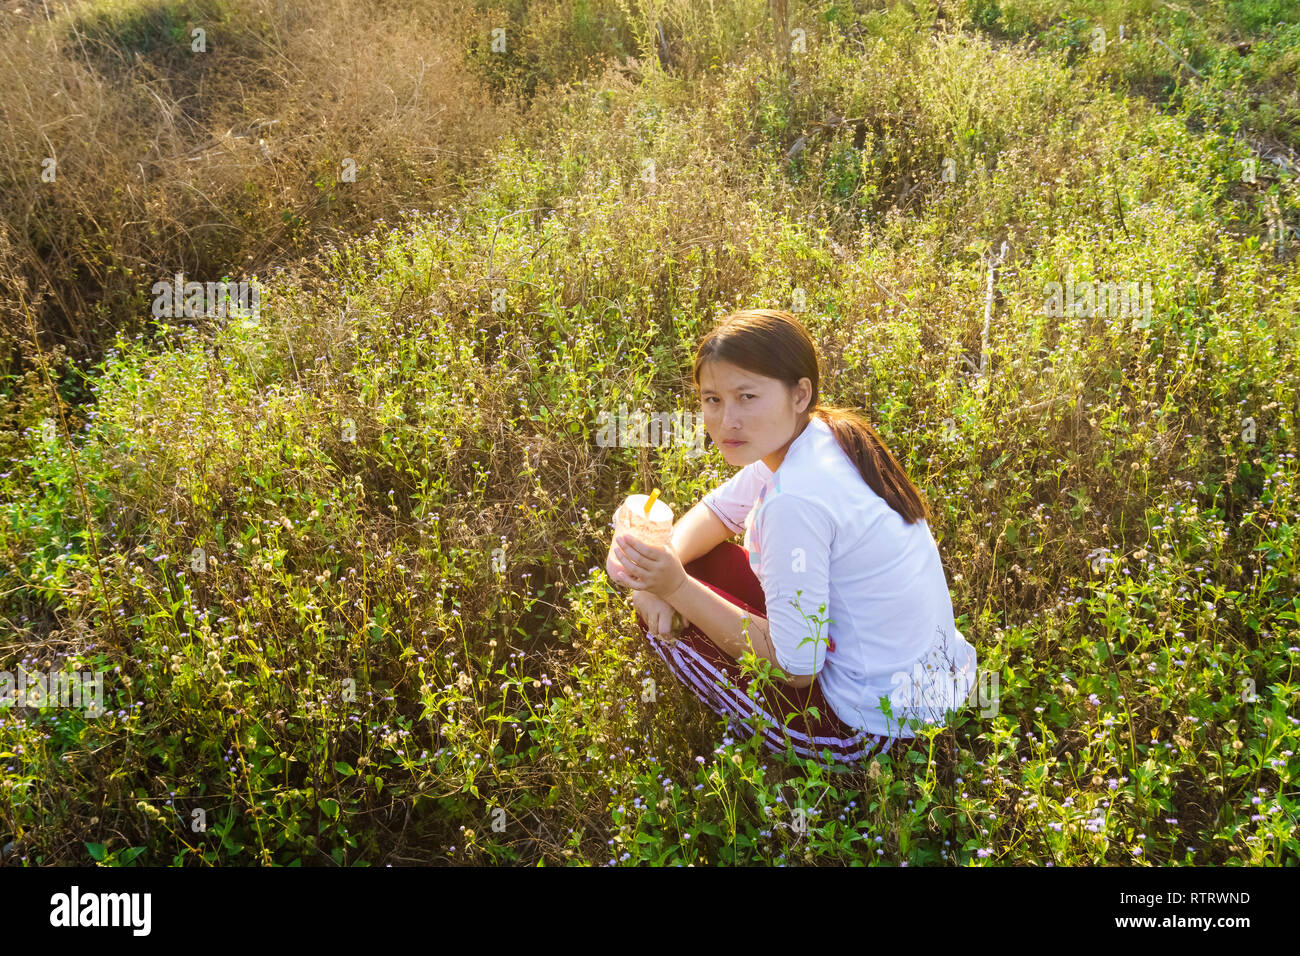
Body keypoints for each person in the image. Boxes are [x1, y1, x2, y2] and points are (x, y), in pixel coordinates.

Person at [607, 309, 978, 766]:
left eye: (747, 396)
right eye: (712, 400)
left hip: (871, 730)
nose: (726, 422)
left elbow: (796, 670)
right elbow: (718, 513)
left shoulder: (795, 502)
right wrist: (659, 576)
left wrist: (672, 589)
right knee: (695, 563)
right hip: (933, 685)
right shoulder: (823, 436)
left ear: (799, 393)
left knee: (668, 610)